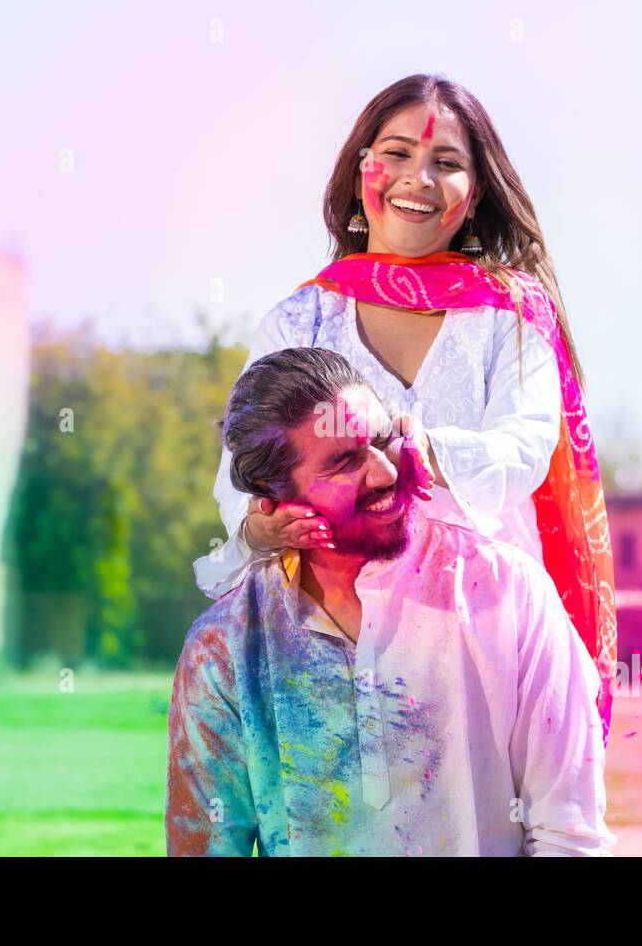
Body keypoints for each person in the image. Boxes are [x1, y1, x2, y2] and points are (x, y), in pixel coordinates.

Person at [193, 73, 618, 744]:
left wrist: (418, 446)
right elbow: (240, 479)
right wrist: (258, 530)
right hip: (336, 650)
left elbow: (523, 456)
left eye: (446, 163)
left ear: (474, 192)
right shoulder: (301, 319)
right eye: (395, 153)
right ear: (362, 166)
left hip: (492, 647)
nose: (417, 177)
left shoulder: (510, 317)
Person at [167, 347, 615, 856]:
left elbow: (569, 836)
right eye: (343, 463)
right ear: (275, 499)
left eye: (383, 440)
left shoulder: (505, 593)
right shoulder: (225, 647)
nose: (382, 472)